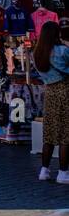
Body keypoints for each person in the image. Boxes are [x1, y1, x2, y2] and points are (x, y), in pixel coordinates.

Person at [33, 22, 69, 184]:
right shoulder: (62, 51)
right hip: (65, 92)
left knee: (49, 134)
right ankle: (63, 173)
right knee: (65, 135)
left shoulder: (37, 54)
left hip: (50, 93)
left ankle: (44, 170)